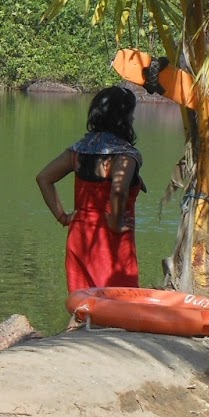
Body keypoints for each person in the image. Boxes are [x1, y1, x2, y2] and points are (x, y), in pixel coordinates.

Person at [36, 86, 145, 292]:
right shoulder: (125, 155)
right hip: (110, 240)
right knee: (119, 302)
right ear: (124, 117)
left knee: (84, 303)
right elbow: (119, 190)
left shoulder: (79, 150)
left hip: (80, 235)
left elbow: (44, 178)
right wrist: (114, 222)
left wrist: (63, 217)